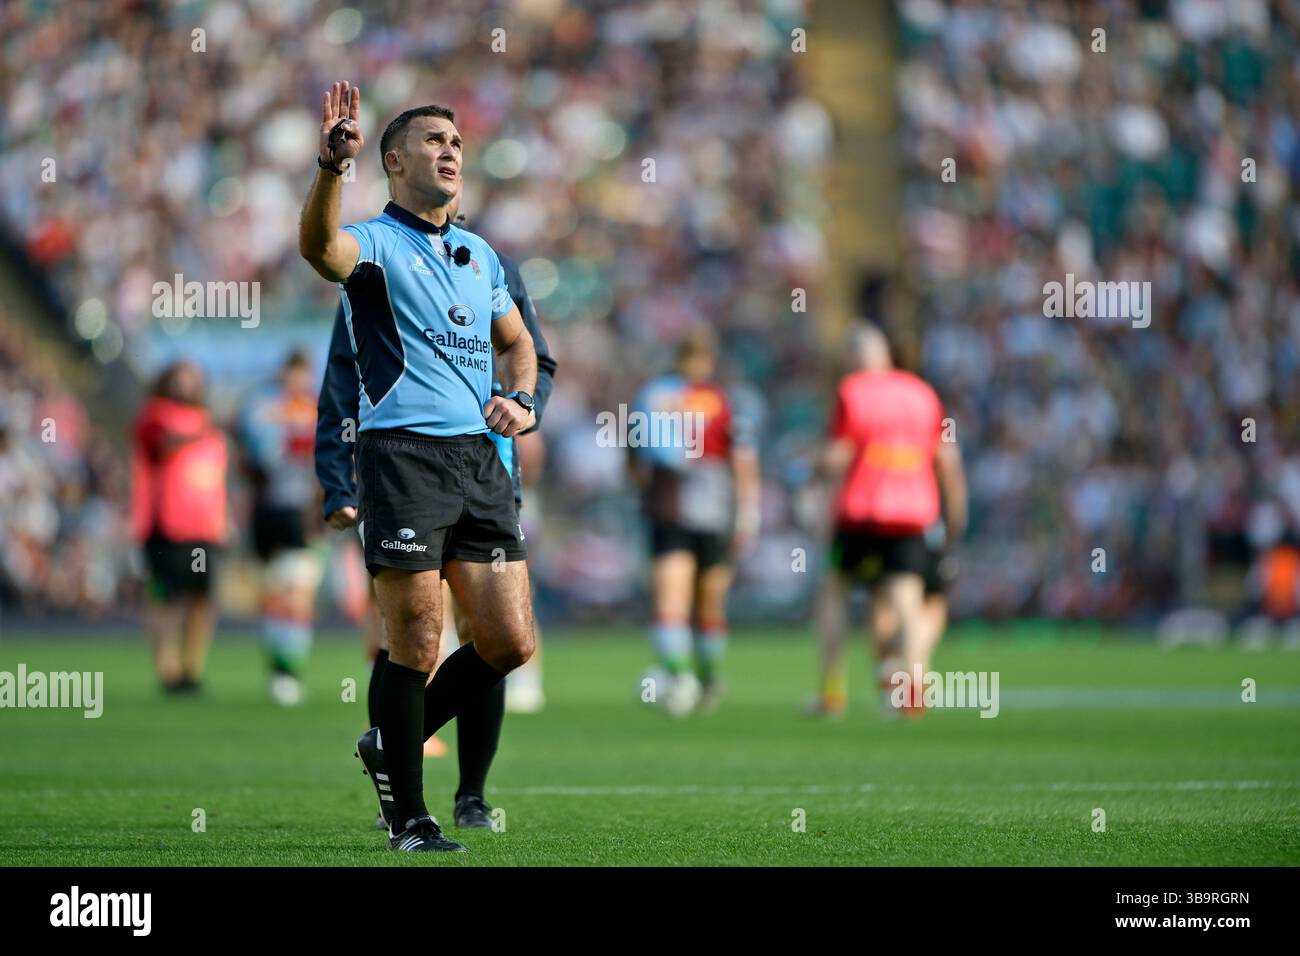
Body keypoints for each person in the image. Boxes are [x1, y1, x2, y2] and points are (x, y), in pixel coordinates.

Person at [299, 82, 537, 853]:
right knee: (415, 641)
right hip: (402, 457)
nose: (450, 152)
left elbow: (520, 341)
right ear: (394, 161)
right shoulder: (371, 242)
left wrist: (524, 397)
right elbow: (317, 250)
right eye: (434, 142)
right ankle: (412, 818)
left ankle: (386, 745)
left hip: (478, 461)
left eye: (457, 144)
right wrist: (330, 170)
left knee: (509, 642)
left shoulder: (481, 254)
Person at [812, 324, 967, 717]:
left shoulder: (852, 393)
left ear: (853, 359)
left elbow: (838, 457)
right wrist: (956, 511)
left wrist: (811, 469)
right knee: (906, 602)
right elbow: (947, 461)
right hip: (914, 513)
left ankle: (832, 691)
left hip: (860, 513)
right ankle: (913, 688)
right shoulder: (922, 394)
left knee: (833, 592)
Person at [630, 327, 760, 715]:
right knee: (699, 600)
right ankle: (697, 679)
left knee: (688, 599)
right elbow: (743, 461)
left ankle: (690, 677)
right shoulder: (726, 401)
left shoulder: (653, 396)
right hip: (707, 510)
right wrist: (746, 515)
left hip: (676, 507)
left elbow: (636, 457)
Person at [130, 360, 228, 694]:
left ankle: (192, 668)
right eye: (179, 379)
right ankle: (167, 668)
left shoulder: (208, 424)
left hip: (204, 528)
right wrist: (199, 433)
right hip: (165, 526)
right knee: (165, 597)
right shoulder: (154, 416)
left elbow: (216, 480)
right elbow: (159, 445)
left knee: (203, 597)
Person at [238, 351, 325, 706]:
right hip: (272, 513)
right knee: (277, 593)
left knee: (298, 591)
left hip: (301, 515)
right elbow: (255, 457)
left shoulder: (317, 410)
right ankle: (281, 670)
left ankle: (288, 672)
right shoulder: (264, 409)